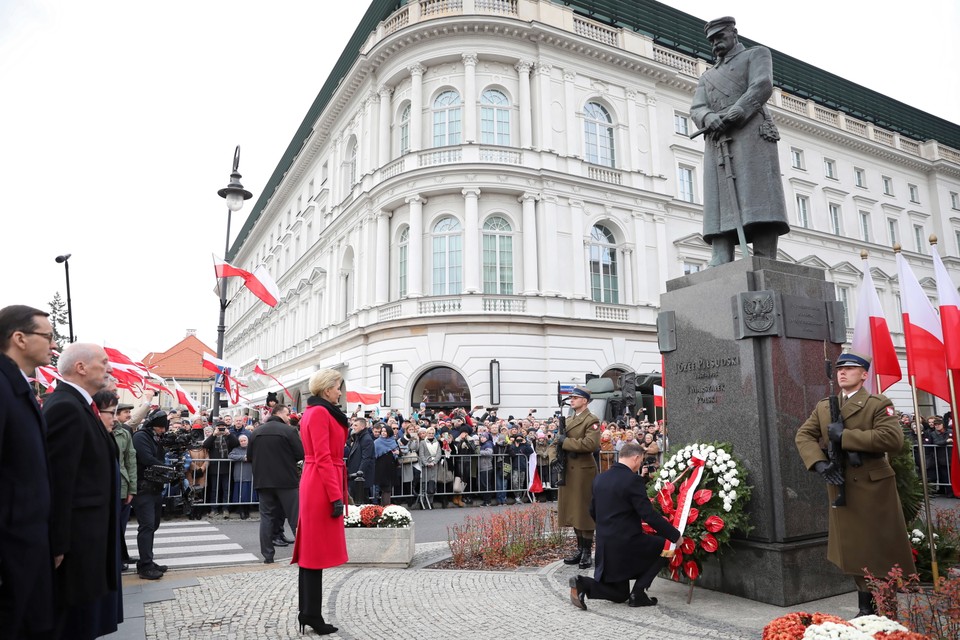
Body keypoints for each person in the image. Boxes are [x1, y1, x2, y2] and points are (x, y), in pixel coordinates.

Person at [795, 351, 915, 617]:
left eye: (850, 368)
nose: (842, 372)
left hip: (873, 487)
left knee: (878, 548)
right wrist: (820, 464)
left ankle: (885, 608)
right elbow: (804, 435)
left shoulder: (877, 403)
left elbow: (892, 439)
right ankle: (865, 609)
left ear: (863, 374)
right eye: (839, 368)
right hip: (841, 486)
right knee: (853, 549)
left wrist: (846, 436)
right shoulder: (825, 406)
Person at [689, 16, 789, 267]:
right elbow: (697, 107)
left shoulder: (756, 55)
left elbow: (762, 84)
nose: (715, 44)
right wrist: (709, 117)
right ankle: (720, 256)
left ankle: (766, 258)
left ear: (734, 33)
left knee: (758, 196)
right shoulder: (707, 76)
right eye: (712, 40)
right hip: (718, 140)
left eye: (720, 37)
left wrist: (735, 113)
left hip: (749, 133)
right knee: (719, 200)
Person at [43, 342, 121, 638]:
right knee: (70, 622)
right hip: (75, 540)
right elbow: (59, 481)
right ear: (81, 367)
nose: (109, 368)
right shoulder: (66, 407)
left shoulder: (78, 405)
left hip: (86, 535)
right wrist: (57, 542)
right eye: (103, 362)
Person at [569, 442, 681, 610]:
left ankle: (582, 583)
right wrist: (675, 535)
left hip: (605, 544)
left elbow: (592, 510)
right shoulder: (633, 480)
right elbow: (648, 514)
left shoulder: (600, 478)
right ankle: (639, 591)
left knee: (620, 594)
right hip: (627, 543)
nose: (640, 464)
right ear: (636, 458)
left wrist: (608, 527)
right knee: (667, 546)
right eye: (641, 460)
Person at [0, 305, 56, 639]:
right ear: (19, 338)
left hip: (26, 541)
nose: (53, 345)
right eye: (47, 336)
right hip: (11, 548)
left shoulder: (17, 386)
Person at [292, 369, 349, 636]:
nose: (340, 391)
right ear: (327, 389)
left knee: (312, 554)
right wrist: (335, 495)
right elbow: (324, 457)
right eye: (338, 387)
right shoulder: (319, 413)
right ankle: (311, 614)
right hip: (321, 483)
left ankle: (309, 612)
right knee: (313, 554)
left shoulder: (320, 412)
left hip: (322, 480)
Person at [248, 404, 304, 563]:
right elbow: (300, 453)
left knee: (266, 518)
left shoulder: (257, 432)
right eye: (287, 414)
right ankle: (304, 552)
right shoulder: (289, 431)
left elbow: (249, 455)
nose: (289, 417)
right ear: (279, 414)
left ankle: (267, 555)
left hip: (263, 481)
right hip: (286, 480)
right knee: (295, 517)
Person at [558, 386, 601, 569]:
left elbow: (590, 444)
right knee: (573, 511)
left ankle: (586, 551)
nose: (572, 400)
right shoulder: (568, 420)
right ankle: (579, 548)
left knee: (584, 511)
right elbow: (555, 443)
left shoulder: (592, 420)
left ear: (585, 400)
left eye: (575, 398)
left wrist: (565, 442)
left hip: (583, 471)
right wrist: (554, 459)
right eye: (571, 398)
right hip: (568, 470)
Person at [132, 408, 171, 580]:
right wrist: (168, 469)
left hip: (154, 488)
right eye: (161, 428)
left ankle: (146, 560)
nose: (163, 431)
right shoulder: (141, 437)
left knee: (153, 525)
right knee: (147, 526)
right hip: (144, 489)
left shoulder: (154, 438)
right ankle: (145, 566)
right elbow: (147, 459)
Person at [203, 421, 239, 515]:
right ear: (215, 428)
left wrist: (229, 434)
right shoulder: (213, 437)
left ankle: (225, 508)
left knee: (226, 489)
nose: (221, 429)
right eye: (219, 427)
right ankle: (214, 509)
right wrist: (214, 434)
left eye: (223, 427)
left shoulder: (228, 437)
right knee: (214, 489)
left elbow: (236, 443)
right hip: (214, 468)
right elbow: (205, 445)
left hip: (227, 468)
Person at [346, 417, 375, 505]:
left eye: (355, 425)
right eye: (352, 425)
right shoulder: (357, 437)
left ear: (362, 427)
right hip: (355, 474)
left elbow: (366, 458)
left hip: (360, 477)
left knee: (362, 501)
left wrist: (359, 473)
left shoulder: (366, 439)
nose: (353, 427)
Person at [374, 425, 400, 506]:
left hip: (391, 467)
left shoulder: (393, 441)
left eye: (385, 431)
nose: (383, 433)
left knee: (388, 489)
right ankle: (385, 507)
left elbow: (398, 451)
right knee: (386, 489)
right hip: (381, 468)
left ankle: (384, 507)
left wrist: (398, 453)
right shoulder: (377, 442)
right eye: (382, 431)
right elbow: (374, 454)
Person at [229, 434, 253, 519]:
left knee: (248, 494)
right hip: (240, 475)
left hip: (249, 474)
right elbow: (230, 456)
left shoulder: (252, 449)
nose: (243, 442)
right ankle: (241, 510)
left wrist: (249, 458)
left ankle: (247, 510)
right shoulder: (236, 449)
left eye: (244, 440)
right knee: (240, 495)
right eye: (241, 441)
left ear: (247, 441)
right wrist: (243, 458)